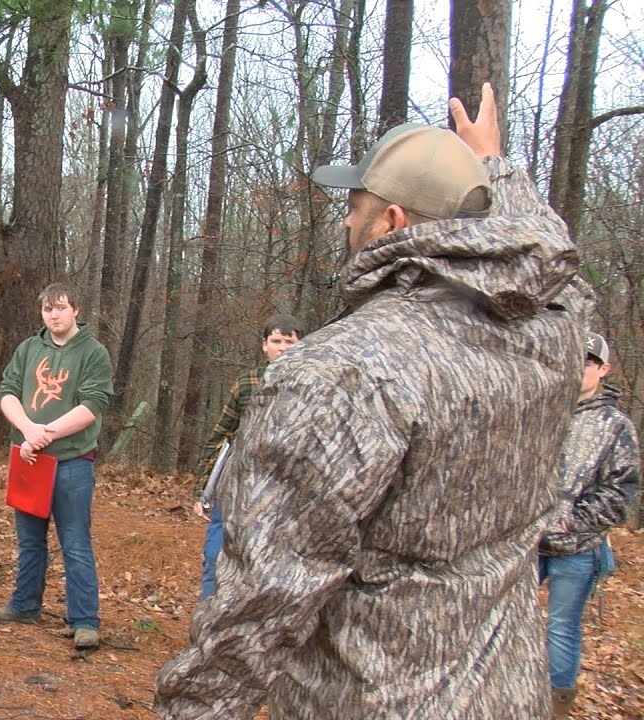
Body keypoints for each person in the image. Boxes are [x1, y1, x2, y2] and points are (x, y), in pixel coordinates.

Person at [155, 84, 588, 718]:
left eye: (356, 206)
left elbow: (266, 596)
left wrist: (193, 710)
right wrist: (492, 171)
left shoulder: (339, 372)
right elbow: (553, 261)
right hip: (507, 696)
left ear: (392, 223)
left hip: (370, 699)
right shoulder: (554, 329)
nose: (344, 221)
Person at [0, 282, 113, 651]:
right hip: (28, 458)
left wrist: (45, 434)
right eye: (48, 309)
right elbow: (7, 391)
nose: (54, 315)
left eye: (61, 308)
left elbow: (92, 405)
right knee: (29, 540)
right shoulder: (28, 348)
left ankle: (84, 620)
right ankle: (25, 606)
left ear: (76, 310)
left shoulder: (93, 353)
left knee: (75, 542)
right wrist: (27, 430)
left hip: (72, 460)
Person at [539, 333, 639, 719]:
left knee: (561, 626)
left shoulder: (615, 426)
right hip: (528, 542)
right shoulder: (543, 414)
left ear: (604, 369)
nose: (578, 368)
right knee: (505, 617)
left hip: (578, 549)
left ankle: (555, 704)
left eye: (587, 361)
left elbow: (620, 490)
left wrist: (572, 524)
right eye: (572, 359)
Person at [192, 314, 300, 600]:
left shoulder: (313, 386)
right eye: (276, 341)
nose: (283, 348)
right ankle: (208, 614)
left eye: (289, 342)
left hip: (284, 490)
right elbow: (220, 435)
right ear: (264, 345)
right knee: (215, 555)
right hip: (236, 483)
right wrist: (203, 491)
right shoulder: (247, 383)